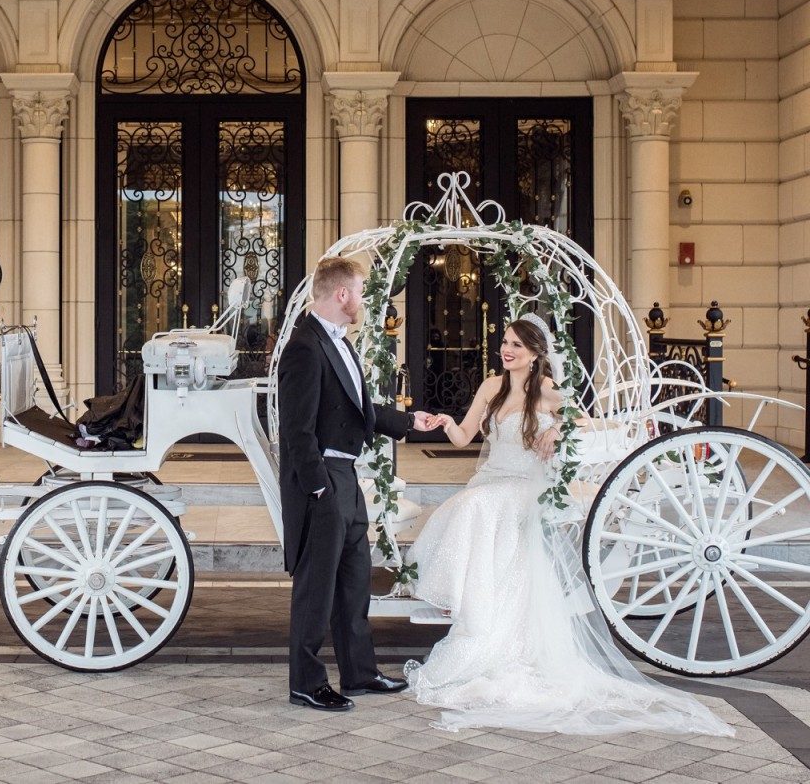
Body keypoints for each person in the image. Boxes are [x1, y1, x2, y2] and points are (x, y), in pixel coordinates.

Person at [406, 316, 734, 736]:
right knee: (462, 506)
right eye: (505, 342)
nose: (507, 350)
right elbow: (464, 436)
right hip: (489, 481)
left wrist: (558, 429)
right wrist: (446, 423)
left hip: (524, 486)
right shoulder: (491, 386)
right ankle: (465, 602)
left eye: (517, 346)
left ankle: (468, 607)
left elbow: (587, 420)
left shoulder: (547, 391)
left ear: (535, 354)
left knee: (473, 507)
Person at [278, 255, 435, 712]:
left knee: (353, 583)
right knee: (316, 588)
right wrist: (318, 488)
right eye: (361, 292)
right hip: (323, 481)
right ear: (342, 293)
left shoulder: (340, 343)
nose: (363, 300)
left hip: (346, 477)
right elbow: (296, 431)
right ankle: (306, 683)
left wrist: (409, 421)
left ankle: (360, 673)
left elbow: (361, 408)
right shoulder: (304, 347)